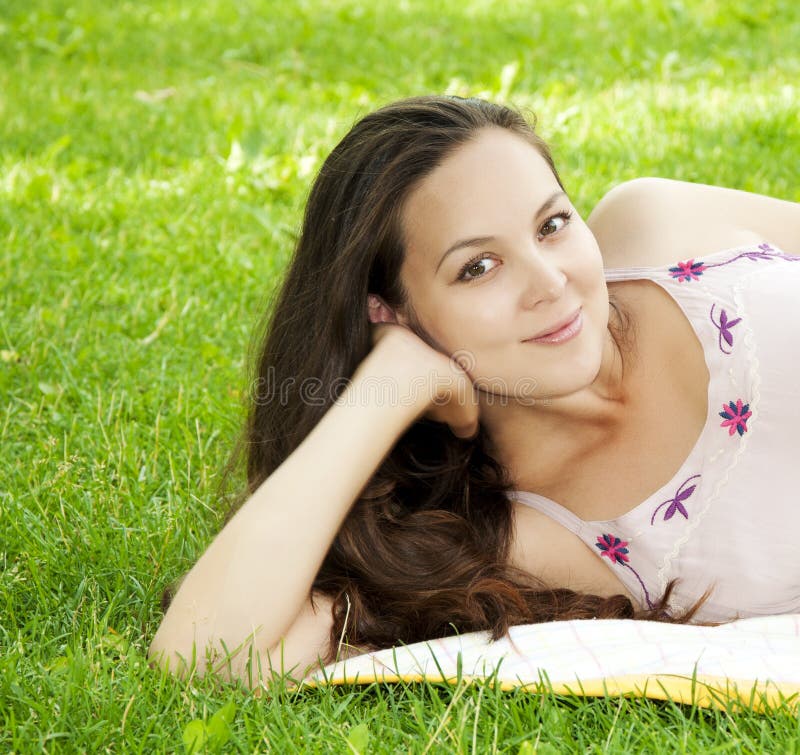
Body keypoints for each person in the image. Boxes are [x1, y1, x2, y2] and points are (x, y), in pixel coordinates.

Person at [148, 95, 800, 686]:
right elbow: (204, 655)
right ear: (394, 312)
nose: (549, 281)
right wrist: (392, 383)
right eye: (477, 267)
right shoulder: (517, 539)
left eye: (551, 224)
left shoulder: (660, 226)